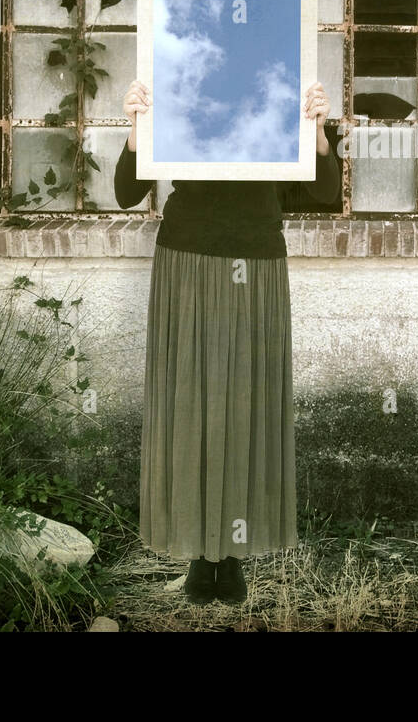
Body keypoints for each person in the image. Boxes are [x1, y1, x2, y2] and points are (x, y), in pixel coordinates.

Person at [114, 77, 338, 605]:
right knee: (191, 405)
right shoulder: (181, 79)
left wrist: (320, 134)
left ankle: (232, 553)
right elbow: (126, 193)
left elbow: (326, 194)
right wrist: (134, 125)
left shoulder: (286, 83)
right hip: (187, 258)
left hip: (257, 260)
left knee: (245, 404)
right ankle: (198, 549)